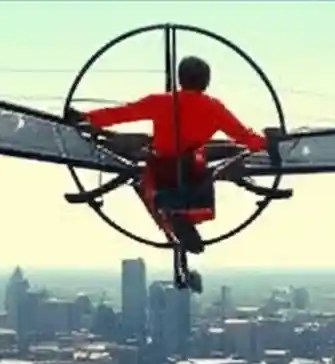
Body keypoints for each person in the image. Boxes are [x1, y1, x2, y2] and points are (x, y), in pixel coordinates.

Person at [70, 56, 268, 257]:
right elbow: (243, 136)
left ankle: (175, 218)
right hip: (192, 168)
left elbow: (123, 113)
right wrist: (266, 143)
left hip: (160, 167)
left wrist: (86, 118)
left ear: (180, 78)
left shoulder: (161, 101)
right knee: (210, 165)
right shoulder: (214, 107)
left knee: (154, 175)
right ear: (206, 81)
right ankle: (184, 219)